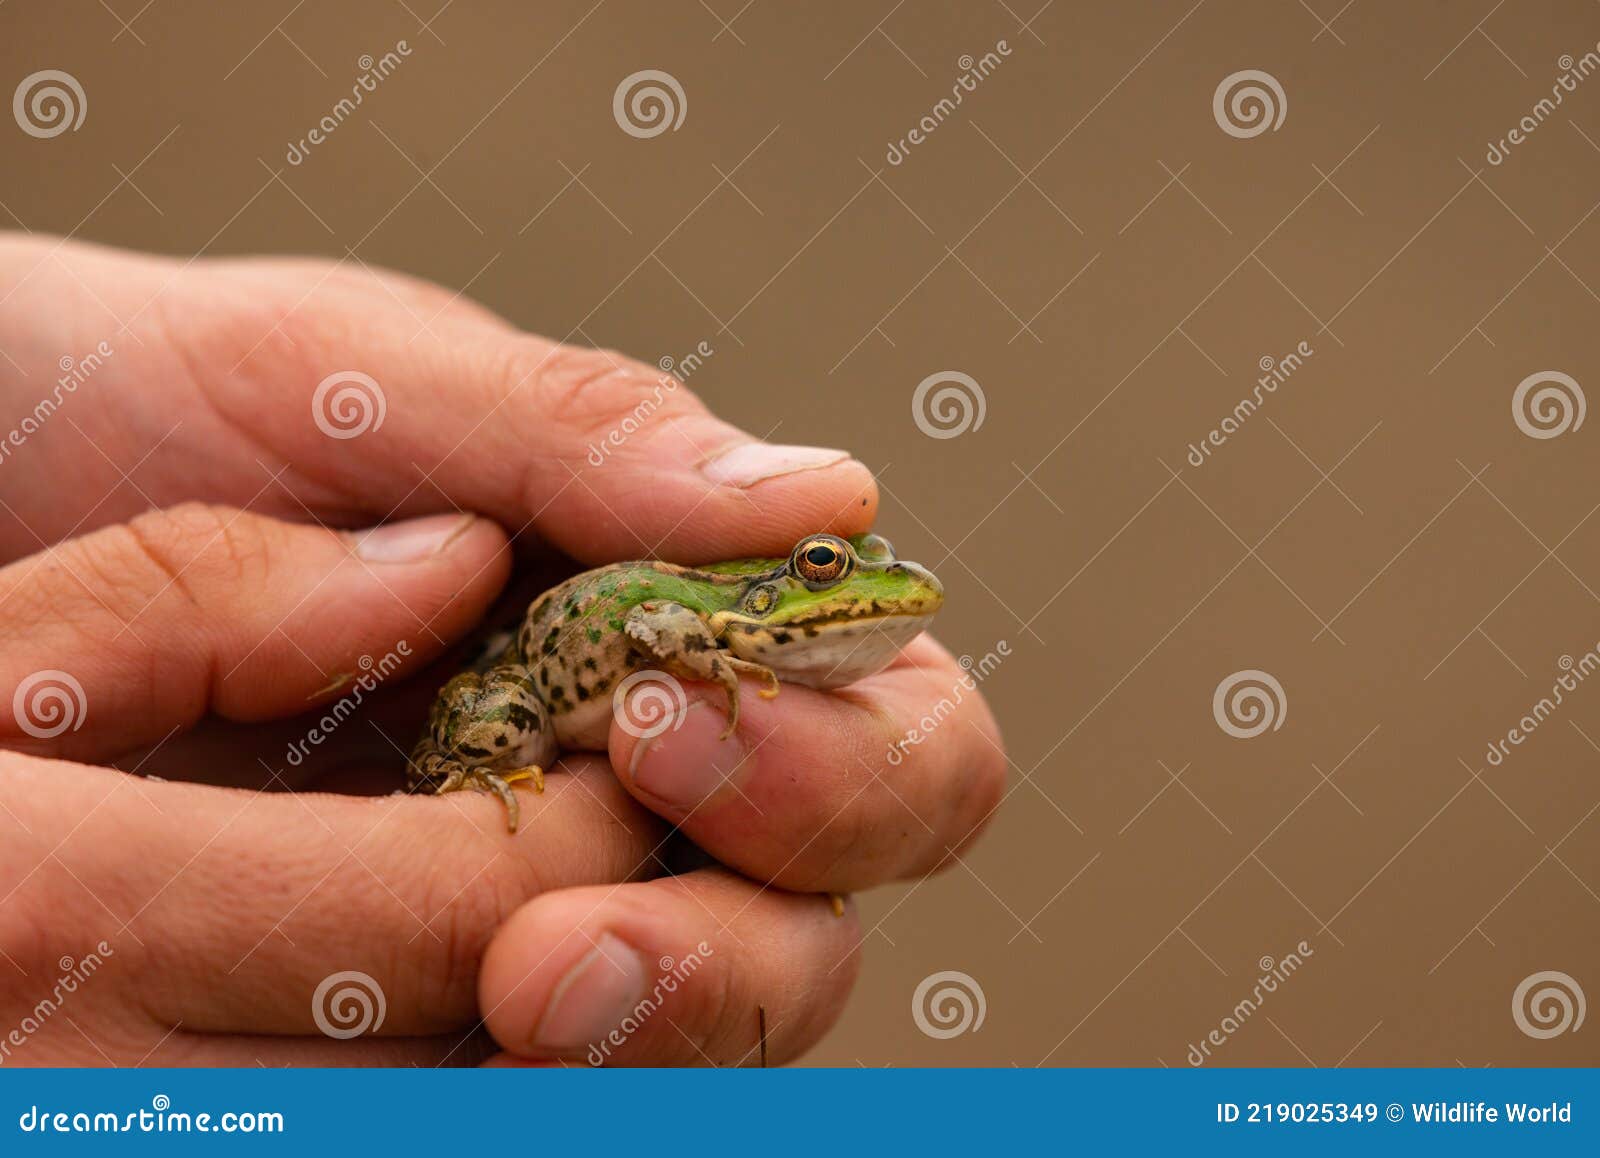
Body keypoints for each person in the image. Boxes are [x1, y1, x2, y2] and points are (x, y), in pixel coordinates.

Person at [0, 234, 1004, 1066]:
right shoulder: (710, 629)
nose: (870, 585)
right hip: (523, 683)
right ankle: (464, 772)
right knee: (515, 748)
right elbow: (655, 629)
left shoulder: (766, 663)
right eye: (830, 565)